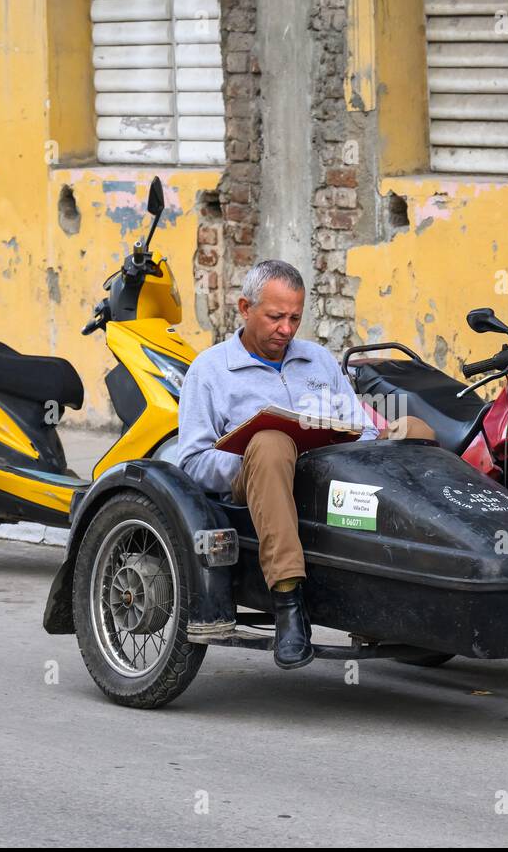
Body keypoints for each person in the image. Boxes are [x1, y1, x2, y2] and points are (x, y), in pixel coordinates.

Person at [178, 259, 435, 669]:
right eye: (275, 317)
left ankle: (411, 580)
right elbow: (192, 462)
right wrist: (255, 458)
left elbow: (361, 429)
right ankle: (289, 605)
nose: (286, 329)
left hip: (327, 474)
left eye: (295, 318)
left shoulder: (317, 360)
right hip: (257, 483)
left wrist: (362, 436)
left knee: (414, 428)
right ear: (245, 308)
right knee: (271, 442)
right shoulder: (209, 371)